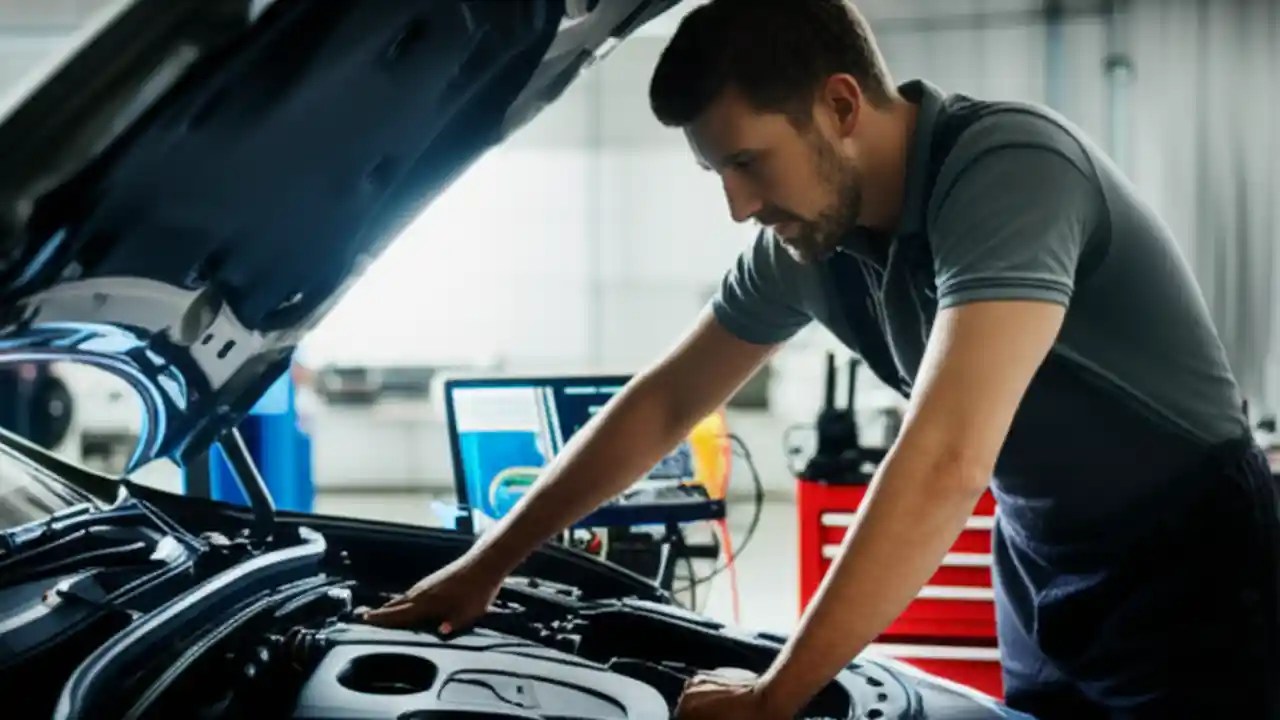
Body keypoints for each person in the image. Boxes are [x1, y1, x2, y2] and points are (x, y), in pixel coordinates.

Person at [362, 1, 1280, 717]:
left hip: (1192, 557)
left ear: (841, 105)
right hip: (1041, 552)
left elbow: (947, 459)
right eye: (716, 173)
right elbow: (663, 401)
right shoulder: (808, 248)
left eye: (749, 162)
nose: (736, 206)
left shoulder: (1010, 168)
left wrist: (776, 695)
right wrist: (488, 564)